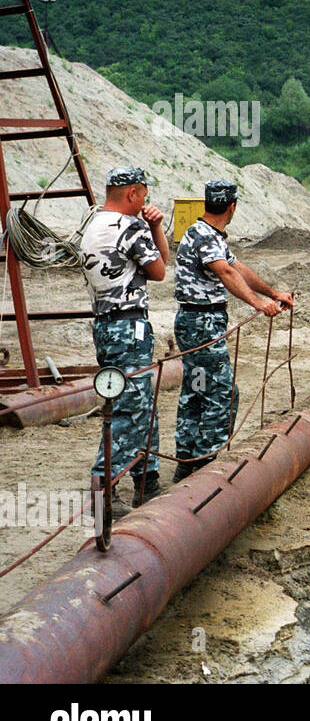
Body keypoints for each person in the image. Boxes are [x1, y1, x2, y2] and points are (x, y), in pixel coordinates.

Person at [172, 180, 294, 482]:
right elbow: (225, 272)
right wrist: (259, 304)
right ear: (232, 207)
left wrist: (273, 293)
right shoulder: (205, 236)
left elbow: (238, 268)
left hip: (195, 323)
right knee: (222, 393)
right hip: (202, 325)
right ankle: (206, 466)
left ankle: (186, 462)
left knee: (197, 388)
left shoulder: (207, 235)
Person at [78, 166, 169, 506]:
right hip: (128, 327)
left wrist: (153, 226)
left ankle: (148, 479)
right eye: (144, 195)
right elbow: (159, 270)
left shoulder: (93, 224)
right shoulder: (130, 227)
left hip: (105, 325)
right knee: (131, 408)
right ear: (133, 193)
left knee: (139, 403)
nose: (145, 202)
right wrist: (154, 226)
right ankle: (104, 486)